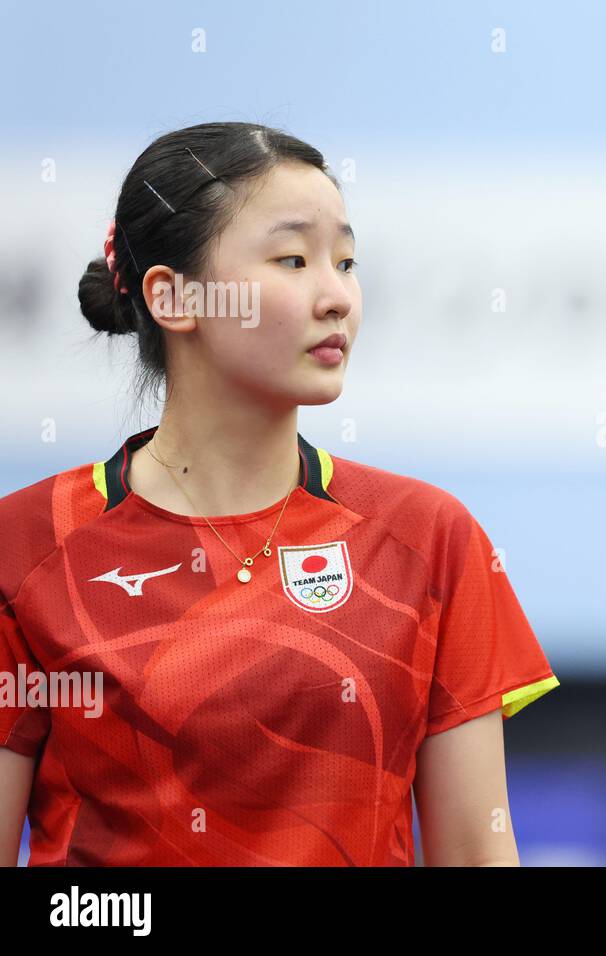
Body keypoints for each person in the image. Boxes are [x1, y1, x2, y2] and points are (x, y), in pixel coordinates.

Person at [0, 122, 558, 866]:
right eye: (293, 259)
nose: (337, 297)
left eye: (347, 262)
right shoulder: (28, 543)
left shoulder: (431, 539)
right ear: (173, 297)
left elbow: (476, 855)